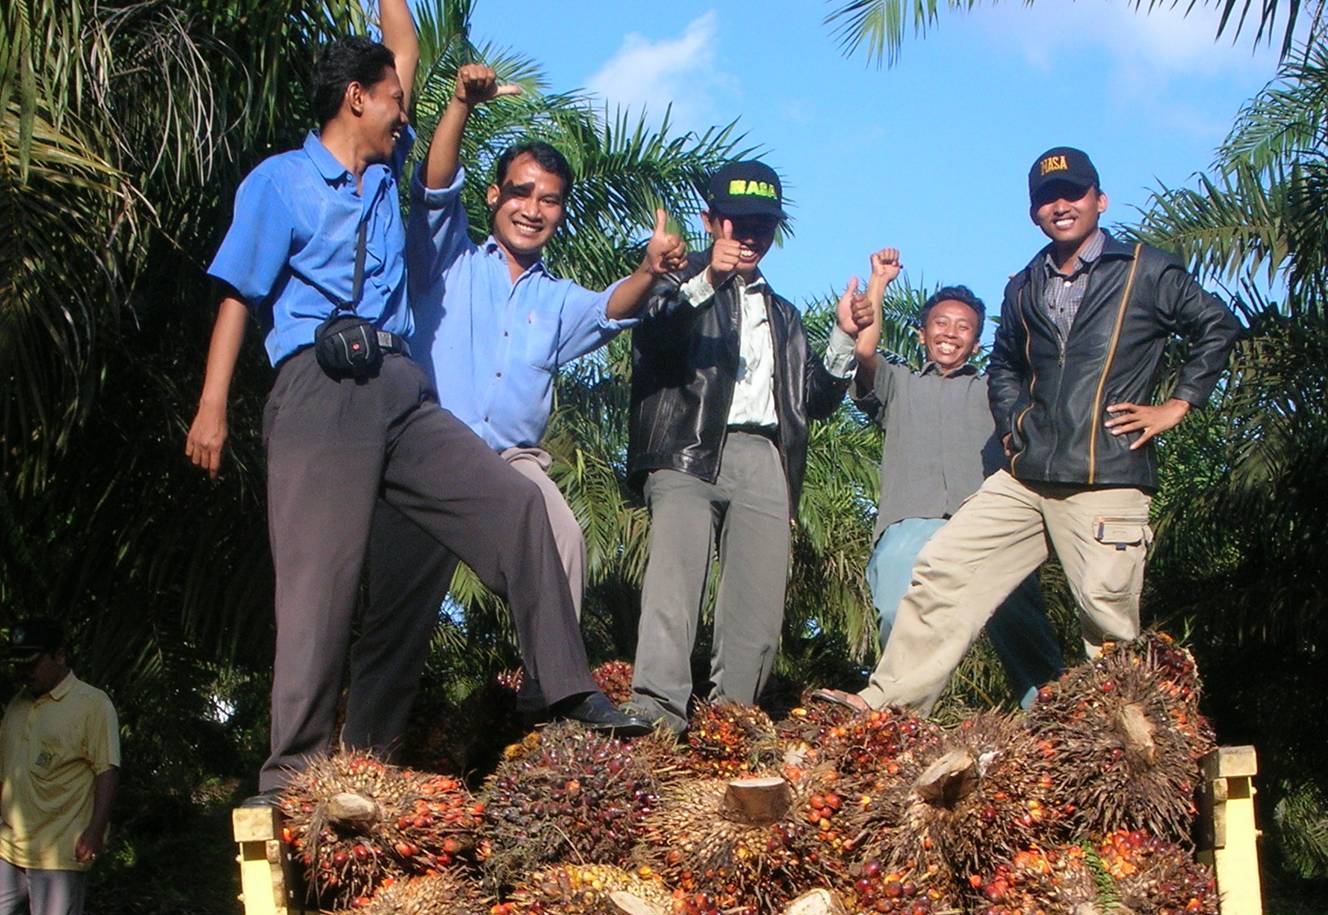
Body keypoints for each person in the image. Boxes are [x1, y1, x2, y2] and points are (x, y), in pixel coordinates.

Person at [185, 0, 641, 792]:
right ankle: (292, 770)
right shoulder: (282, 182)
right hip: (319, 392)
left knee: (516, 505)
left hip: (402, 389)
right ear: (356, 97)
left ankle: (564, 686)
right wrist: (212, 405)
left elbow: (404, 42)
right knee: (319, 586)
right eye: (396, 98)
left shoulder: (386, 169)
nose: (406, 108)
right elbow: (237, 293)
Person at [341, 64, 685, 752]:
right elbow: (436, 187)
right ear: (495, 197)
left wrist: (650, 271)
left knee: (561, 535)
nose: (533, 207)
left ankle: (548, 693)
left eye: (550, 199)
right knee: (395, 623)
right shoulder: (447, 261)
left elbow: (610, 309)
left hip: (509, 463)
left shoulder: (555, 299)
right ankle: (360, 756)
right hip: (427, 454)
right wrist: (462, 105)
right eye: (521, 192)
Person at [825, 146, 1241, 715]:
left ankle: (1121, 746)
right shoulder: (1024, 285)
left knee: (1106, 615)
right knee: (944, 574)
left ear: (1100, 200)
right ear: (1033, 213)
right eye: (1048, 198)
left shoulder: (1146, 269)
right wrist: (1018, 421)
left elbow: (1217, 325)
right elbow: (1006, 368)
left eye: (1073, 193)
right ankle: (884, 712)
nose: (1061, 205)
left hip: (1107, 471)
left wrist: (1177, 405)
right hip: (1026, 475)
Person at [624, 160, 874, 734]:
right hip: (687, 450)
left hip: (764, 458)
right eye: (737, 223)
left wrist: (841, 334)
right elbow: (653, 332)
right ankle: (657, 712)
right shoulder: (673, 282)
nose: (749, 236)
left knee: (759, 609)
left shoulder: (782, 314)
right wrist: (707, 278)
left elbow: (812, 399)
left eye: (762, 224)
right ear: (712, 221)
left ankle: (730, 722)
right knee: (674, 585)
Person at [852, 247, 1064, 707]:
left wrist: (1027, 298)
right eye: (941, 324)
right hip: (912, 521)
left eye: (963, 327)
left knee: (1021, 622)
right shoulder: (899, 383)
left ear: (977, 340)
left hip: (987, 523)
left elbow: (1045, 364)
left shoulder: (995, 389)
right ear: (922, 332)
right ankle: (896, 724)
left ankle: (1057, 724)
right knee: (897, 612)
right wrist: (878, 283)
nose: (951, 334)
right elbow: (864, 351)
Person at [0, 619, 120, 915]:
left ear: (61, 657)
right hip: (9, 843)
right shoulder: (17, 705)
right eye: (18, 664)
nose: (23, 673)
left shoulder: (91, 704)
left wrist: (95, 830)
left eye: (32, 663)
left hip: (59, 849)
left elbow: (107, 771)